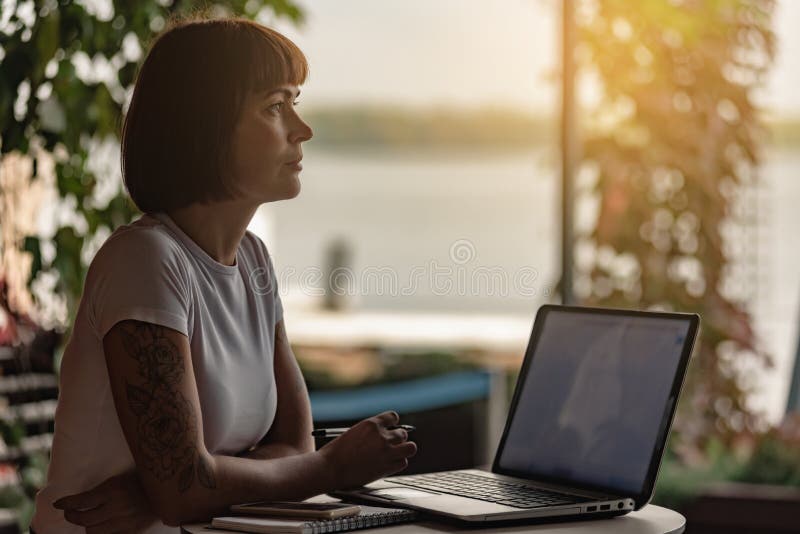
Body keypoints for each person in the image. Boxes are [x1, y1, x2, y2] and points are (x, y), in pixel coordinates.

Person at [30, 14, 417, 534]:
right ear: (204, 124)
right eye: (275, 107)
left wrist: (169, 489)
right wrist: (329, 468)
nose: (302, 129)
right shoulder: (146, 261)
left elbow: (288, 447)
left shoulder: (254, 260)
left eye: (294, 105)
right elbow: (207, 483)